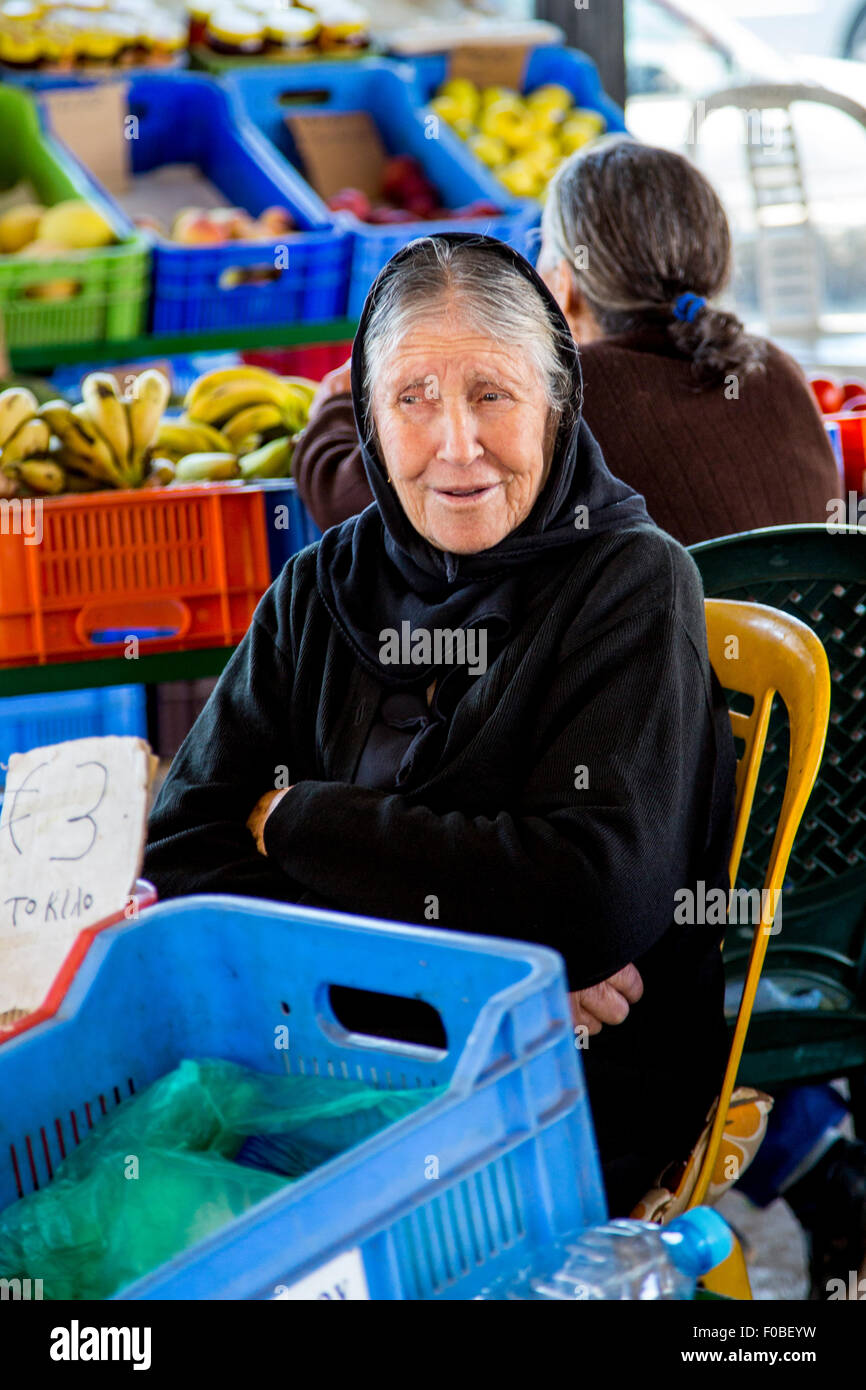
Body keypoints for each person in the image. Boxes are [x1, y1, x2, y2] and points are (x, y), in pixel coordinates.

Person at [144, 232, 738, 1218]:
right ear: (370, 424)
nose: (455, 444)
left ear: (555, 401)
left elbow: (593, 899)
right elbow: (185, 856)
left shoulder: (628, 582)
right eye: (412, 398)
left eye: (491, 395)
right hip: (325, 1059)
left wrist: (293, 823)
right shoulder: (322, 588)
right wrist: (481, 957)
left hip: (558, 1091)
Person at [293, 138, 839, 544]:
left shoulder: (563, 392)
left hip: (658, 696)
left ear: (566, 286)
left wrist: (335, 413)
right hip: (813, 693)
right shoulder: (776, 368)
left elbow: (385, 513)